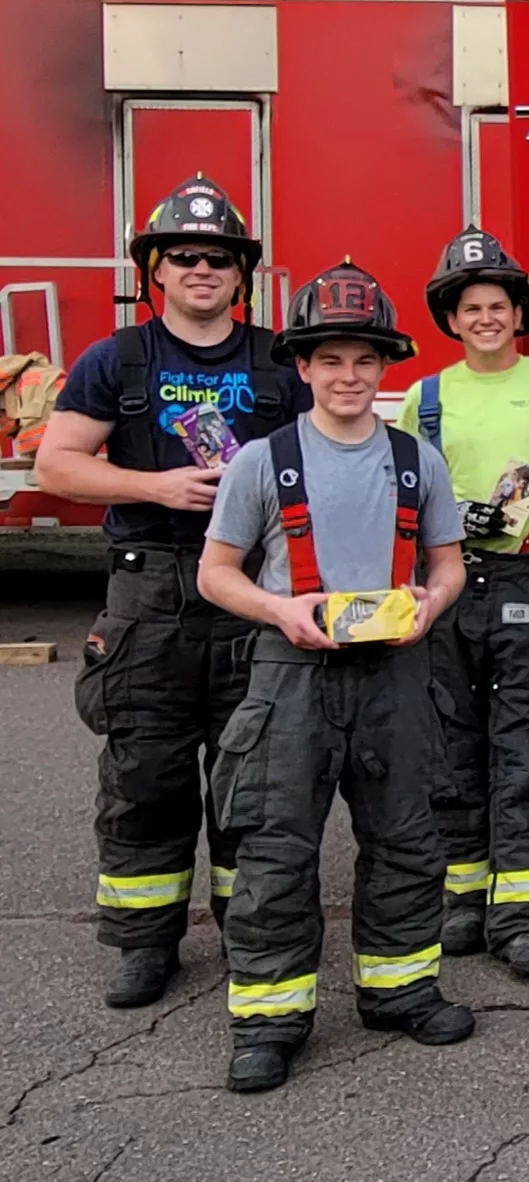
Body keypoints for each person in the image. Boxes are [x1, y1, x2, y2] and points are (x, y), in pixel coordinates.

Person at [37, 175, 309, 1010]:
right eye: (184, 255)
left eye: (219, 257)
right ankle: (144, 942)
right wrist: (158, 489)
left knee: (250, 778)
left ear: (241, 273)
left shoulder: (277, 363)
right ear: (155, 269)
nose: (202, 268)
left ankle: (247, 932)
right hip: (149, 590)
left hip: (250, 592)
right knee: (144, 776)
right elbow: (57, 463)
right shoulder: (116, 360)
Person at [198, 261, 470, 1093]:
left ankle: (400, 989)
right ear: (303, 366)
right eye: (329, 360)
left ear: (384, 366)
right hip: (290, 673)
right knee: (276, 849)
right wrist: (281, 611)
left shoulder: (415, 458)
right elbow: (216, 573)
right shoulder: (261, 462)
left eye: (363, 360)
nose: (347, 376)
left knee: (408, 838)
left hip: (396, 670)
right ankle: (270, 1019)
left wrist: (431, 605)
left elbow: (449, 565)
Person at [396, 228, 529, 980]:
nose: (486, 317)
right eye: (471, 307)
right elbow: (403, 508)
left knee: (528, 754)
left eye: (498, 305)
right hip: (450, 586)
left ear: (519, 315)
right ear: (450, 320)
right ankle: (464, 898)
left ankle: (525, 917)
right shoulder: (422, 399)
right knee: (452, 750)